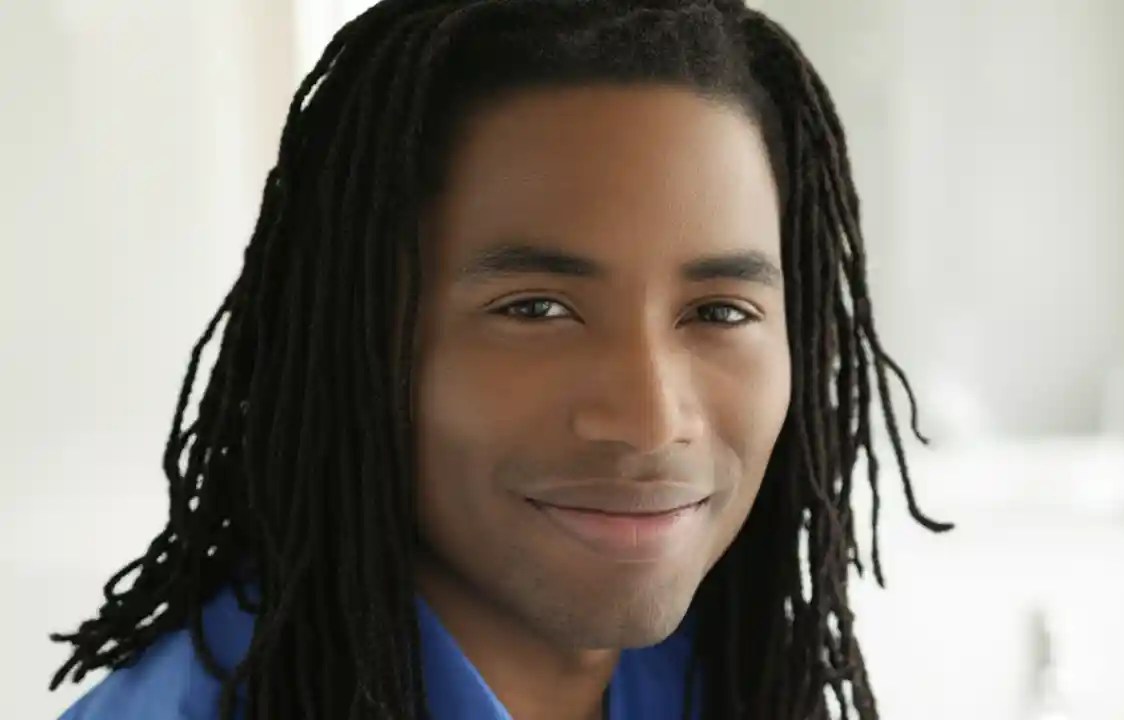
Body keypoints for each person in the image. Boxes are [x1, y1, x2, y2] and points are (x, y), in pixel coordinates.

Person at [49, 1, 952, 718]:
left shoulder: (737, 679)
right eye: (537, 309)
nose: (649, 420)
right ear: (364, 340)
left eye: (719, 310)